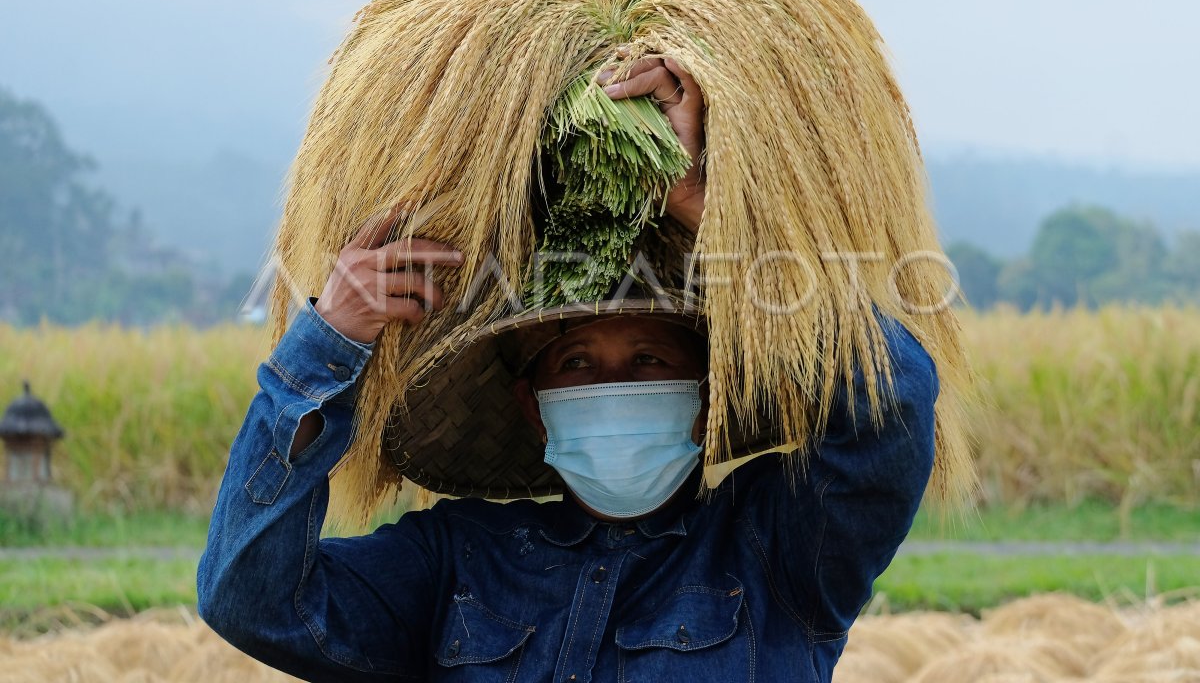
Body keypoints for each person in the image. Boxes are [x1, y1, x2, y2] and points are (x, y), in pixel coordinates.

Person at [197, 55, 938, 681]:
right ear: (532, 402)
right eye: (577, 362)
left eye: (649, 360)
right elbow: (251, 600)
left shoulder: (780, 553)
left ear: (708, 396)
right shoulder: (454, 564)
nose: (612, 387)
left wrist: (716, 214)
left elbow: (892, 399)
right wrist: (329, 337)